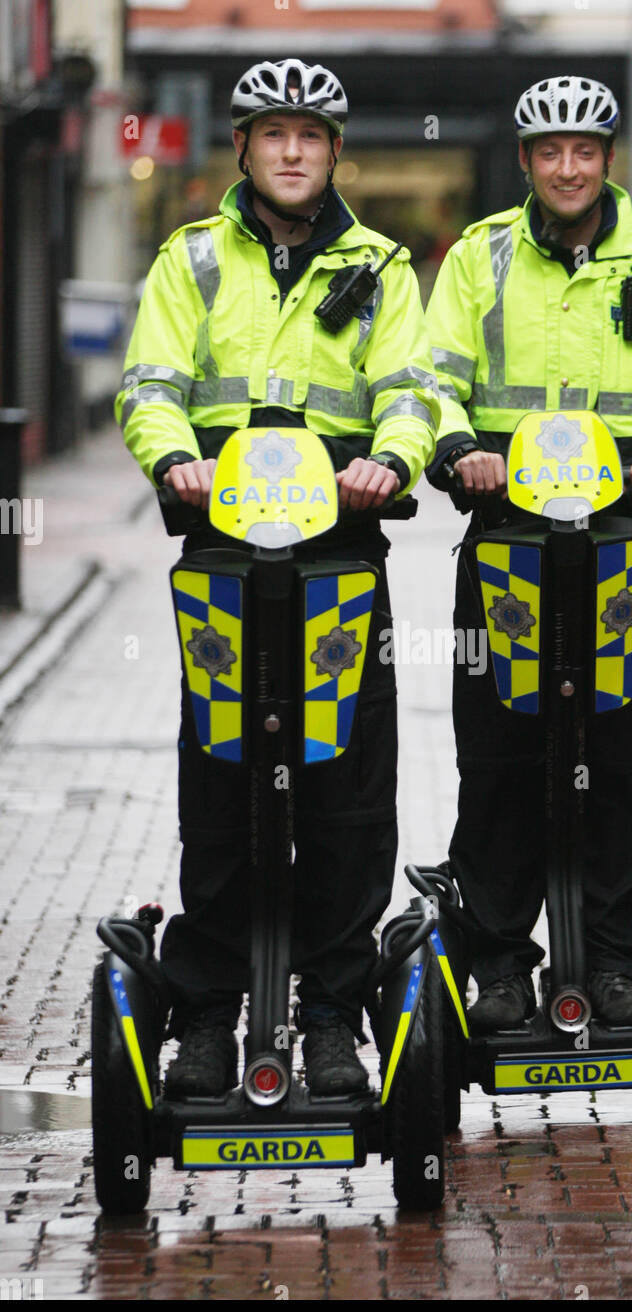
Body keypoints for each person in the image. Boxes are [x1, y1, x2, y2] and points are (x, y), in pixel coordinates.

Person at [115, 58, 439, 1096]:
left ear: (334, 150)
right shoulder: (192, 260)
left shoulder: (384, 267)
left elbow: (411, 390)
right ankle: (209, 1012)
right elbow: (151, 383)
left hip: (338, 559)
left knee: (344, 792)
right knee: (220, 786)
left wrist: (388, 460)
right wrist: (174, 459)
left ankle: (335, 1012)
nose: (292, 151)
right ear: (244, 148)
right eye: (272, 134)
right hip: (220, 559)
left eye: (310, 134)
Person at [424, 75, 632, 1032]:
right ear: (526, 161)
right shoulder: (480, 259)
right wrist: (455, 450)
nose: (568, 167)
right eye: (549, 151)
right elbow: (430, 379)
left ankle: (612, 962)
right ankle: (502, 967)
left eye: (585, 150)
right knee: (500, 758)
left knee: (620, 756)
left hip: (623, 547)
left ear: (608, 159)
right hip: (508, 546)